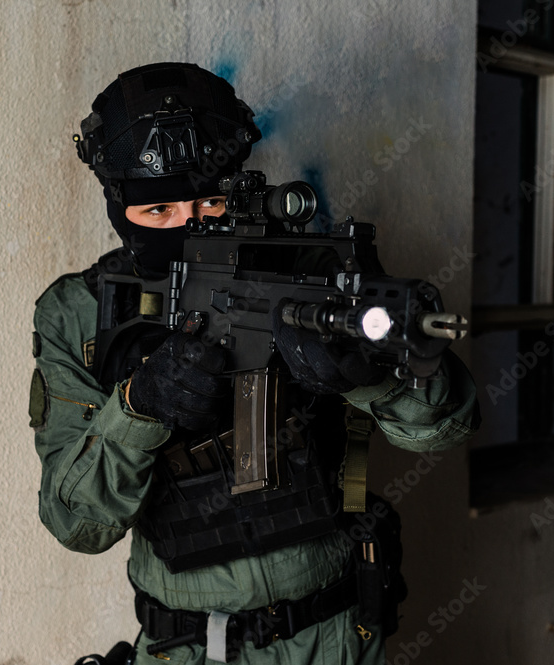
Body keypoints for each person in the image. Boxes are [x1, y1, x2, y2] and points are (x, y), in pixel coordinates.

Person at [30, 62, 481, 665]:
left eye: (210, 201)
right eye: (158, 212)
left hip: (333, 636)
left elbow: (445, 426)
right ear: (118, 205)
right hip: (189, 645)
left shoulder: (311, 271)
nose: (189, 227)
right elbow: (77, 526)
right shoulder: (81, 314)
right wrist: (140, 406)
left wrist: (366, 372)